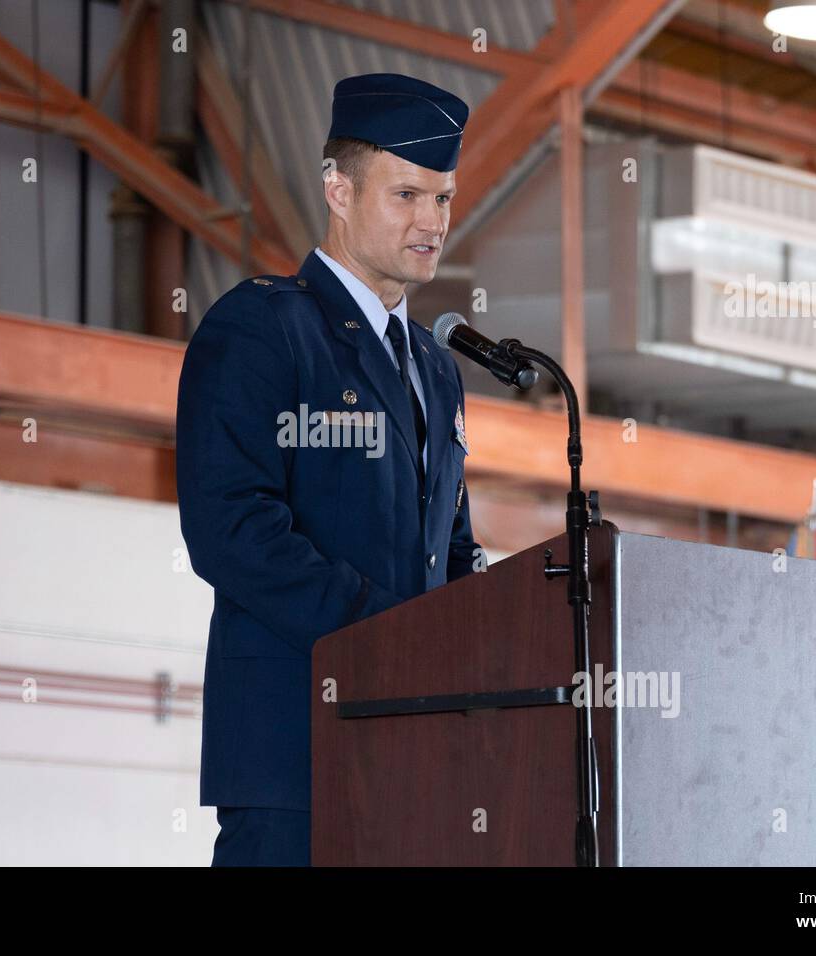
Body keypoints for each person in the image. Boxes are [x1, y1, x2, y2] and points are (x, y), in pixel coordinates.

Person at [176, 72, 483, 866]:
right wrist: (389, 636)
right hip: (294, 759)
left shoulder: (434, 367)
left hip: (414, 762)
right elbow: (231, 530)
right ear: (338, 191)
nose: (430, 222)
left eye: (443, 200)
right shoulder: (264, 327)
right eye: (407, 195)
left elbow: (449, 548)